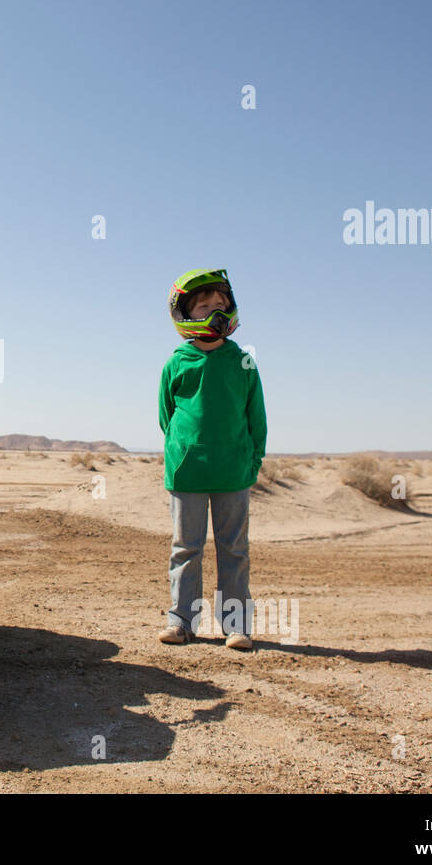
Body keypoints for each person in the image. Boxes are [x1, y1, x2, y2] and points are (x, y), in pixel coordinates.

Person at [157, 268, 266, 650]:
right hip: (187, 474)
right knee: (185, 549)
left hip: (232, 473)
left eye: (220, 304)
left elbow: (256, 419)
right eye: (204, 306)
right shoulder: (176, 363)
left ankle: (236, 626)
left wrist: (251, 463)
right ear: (185, 314)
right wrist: (183, 452)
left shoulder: (243, 362)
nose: (215, 312)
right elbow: (167, 417)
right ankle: (181, 622)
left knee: (234, 550)